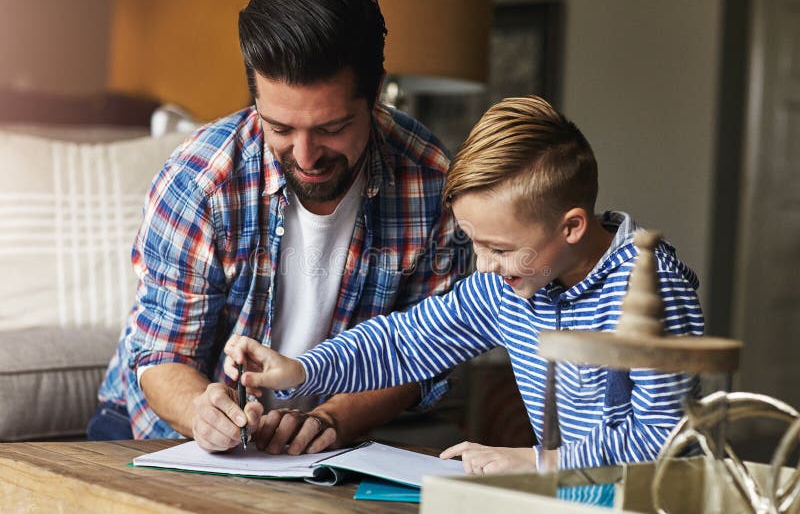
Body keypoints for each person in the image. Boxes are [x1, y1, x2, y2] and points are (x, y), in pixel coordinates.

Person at [223, 95, 704, 474]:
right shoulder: (510, 284)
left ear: (572, 227)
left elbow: (667, 435)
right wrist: (301, 371)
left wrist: (536, 462)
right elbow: (403, 342)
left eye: (498, 247)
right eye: (473, 242)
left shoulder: (650, 289)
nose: (484, 264)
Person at [87, 0, 470, 454]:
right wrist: (201, 412)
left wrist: (329, 421)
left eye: (332, 128)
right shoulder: (200, 182)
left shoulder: (431, 179)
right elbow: (163, 353)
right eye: (281, 128)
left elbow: (426, 351)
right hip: (153, 433)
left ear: (374, 96)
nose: (306, 156)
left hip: (324, 446)